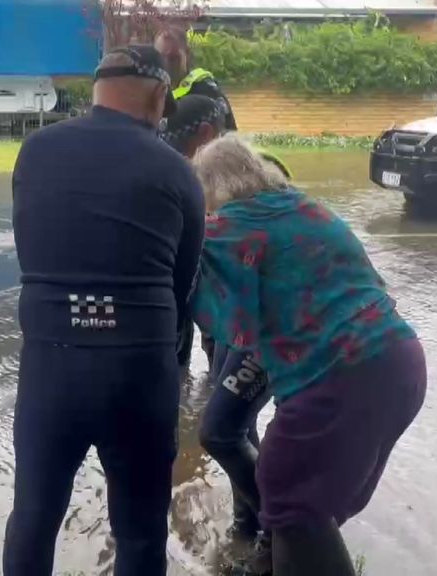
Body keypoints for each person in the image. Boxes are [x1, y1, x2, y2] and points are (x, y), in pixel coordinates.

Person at [4, 45, 205, 575]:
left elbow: (31, 243)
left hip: (51, 362)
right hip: (138, 370)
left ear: (96, 89)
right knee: (140, 529)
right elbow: (186, 283)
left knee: (34, 515)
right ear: (159, 95)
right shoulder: (177, 170)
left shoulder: (36, 151)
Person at [191, 134, 427, 576]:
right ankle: (271, 550)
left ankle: (271, 543)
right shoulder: (304, 207)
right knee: (301, 506)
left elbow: (178, 275)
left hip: (342, 373)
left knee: (294, 503)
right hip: (399, 359)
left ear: (213, 189)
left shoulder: (232, 227)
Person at [163, 95, 272, 568]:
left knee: (223, 428)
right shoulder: (207, 178)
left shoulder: (243, 193)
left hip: (261, 328)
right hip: (234, 324)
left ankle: (278, 523)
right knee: (236, 424)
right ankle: (250, 523)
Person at [155, 27, 237, 131]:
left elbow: (227, 134)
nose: (167, 64)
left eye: (174, 58)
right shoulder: (150, 89)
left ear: (187, 55)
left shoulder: (208, 91)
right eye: (162, 57)